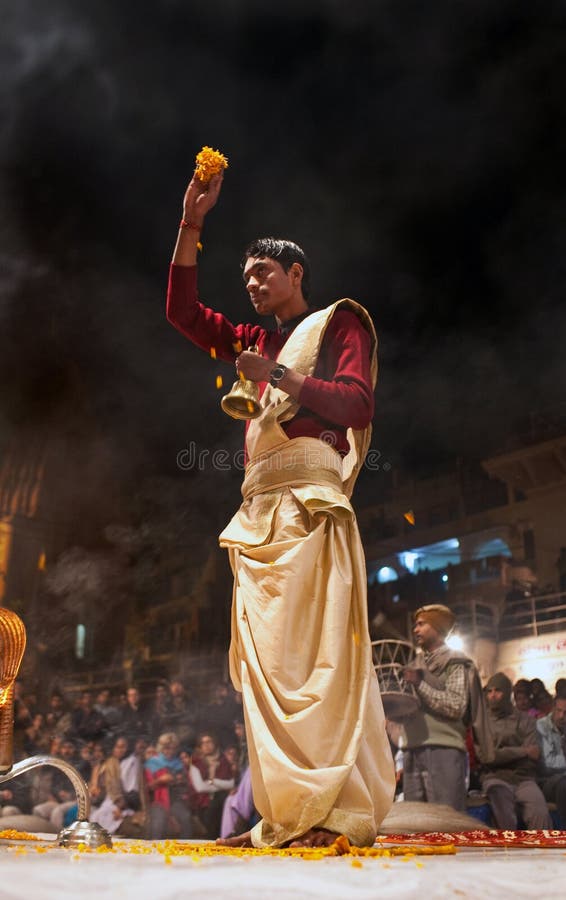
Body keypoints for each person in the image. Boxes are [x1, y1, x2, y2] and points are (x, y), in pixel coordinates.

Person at [165, 167, 395, 848]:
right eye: (247, 279)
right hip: (260, 514)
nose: (255, 285)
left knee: (317, 666)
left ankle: (339, 812)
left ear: (296, 272)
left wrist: (282, 378)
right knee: (270, 675)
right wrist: (191, 223)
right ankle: (288, 812)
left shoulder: (337, 323)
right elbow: (181, 312)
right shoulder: (249, 340)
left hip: (312, 507)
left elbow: (356, 404)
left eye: (265, 271)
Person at [401, 604, 493, 811]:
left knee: (446, 822)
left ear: (438, 627)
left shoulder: (455, 662)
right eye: (415, 625)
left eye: (422, 624)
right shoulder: (415, 663)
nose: (415, 630)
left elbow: (455, 706)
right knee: (414, 827)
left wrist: (419, 684)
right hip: (412, 750)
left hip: (444, 750)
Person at [482, 672, 551, 829]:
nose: (493, 695)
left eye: (498, 691)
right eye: (490, 691)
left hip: (523, 779)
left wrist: (503, 753)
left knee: (540, 813)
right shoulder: (482, 722)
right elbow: (488, 756)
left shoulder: (526, 720)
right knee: (504, 813)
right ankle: (509, 852)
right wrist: (523, 751)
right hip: (495, 777)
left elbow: (534, 756)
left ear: (507, 693)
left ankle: (544, 853)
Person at [536, 694, 566, 826]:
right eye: (559, 711)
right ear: (553, 708)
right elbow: (548, 762)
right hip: (546, 780)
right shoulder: (541, 726)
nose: (561, 716)